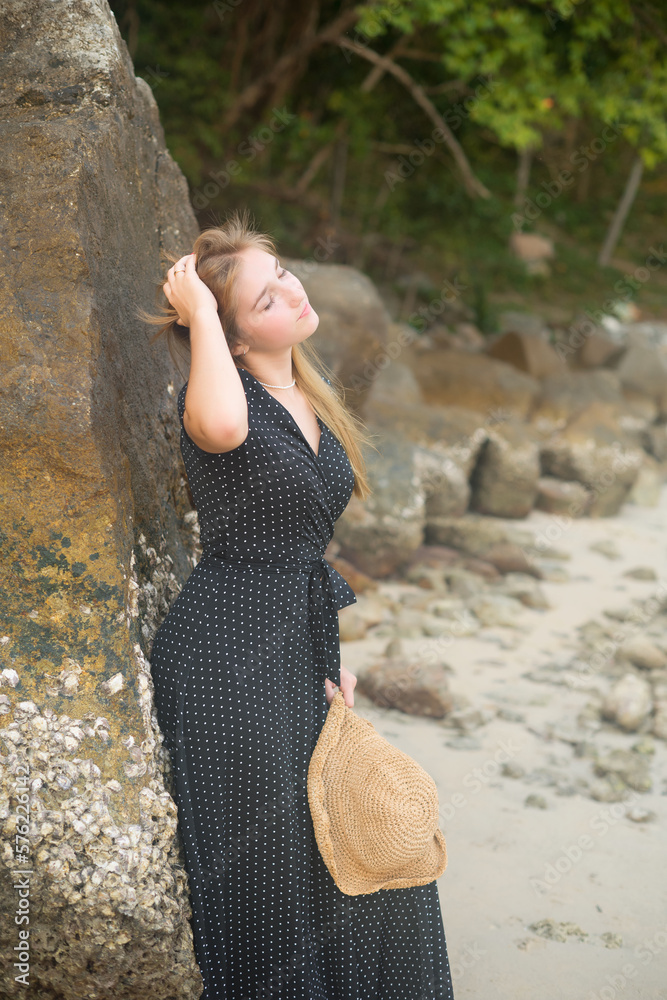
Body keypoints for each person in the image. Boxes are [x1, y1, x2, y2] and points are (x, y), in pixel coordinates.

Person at [144, 209, 456, 999]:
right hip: (223, 659)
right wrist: (204, 319)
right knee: (269, 869)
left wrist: (331, 672)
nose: (289, 290)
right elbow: (216, 424)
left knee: (362, 834)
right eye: (262, 298)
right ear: (232, 334)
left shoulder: (305, 395)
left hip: (293, 650)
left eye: (281, 273)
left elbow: (305, 560)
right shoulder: (222, 394)